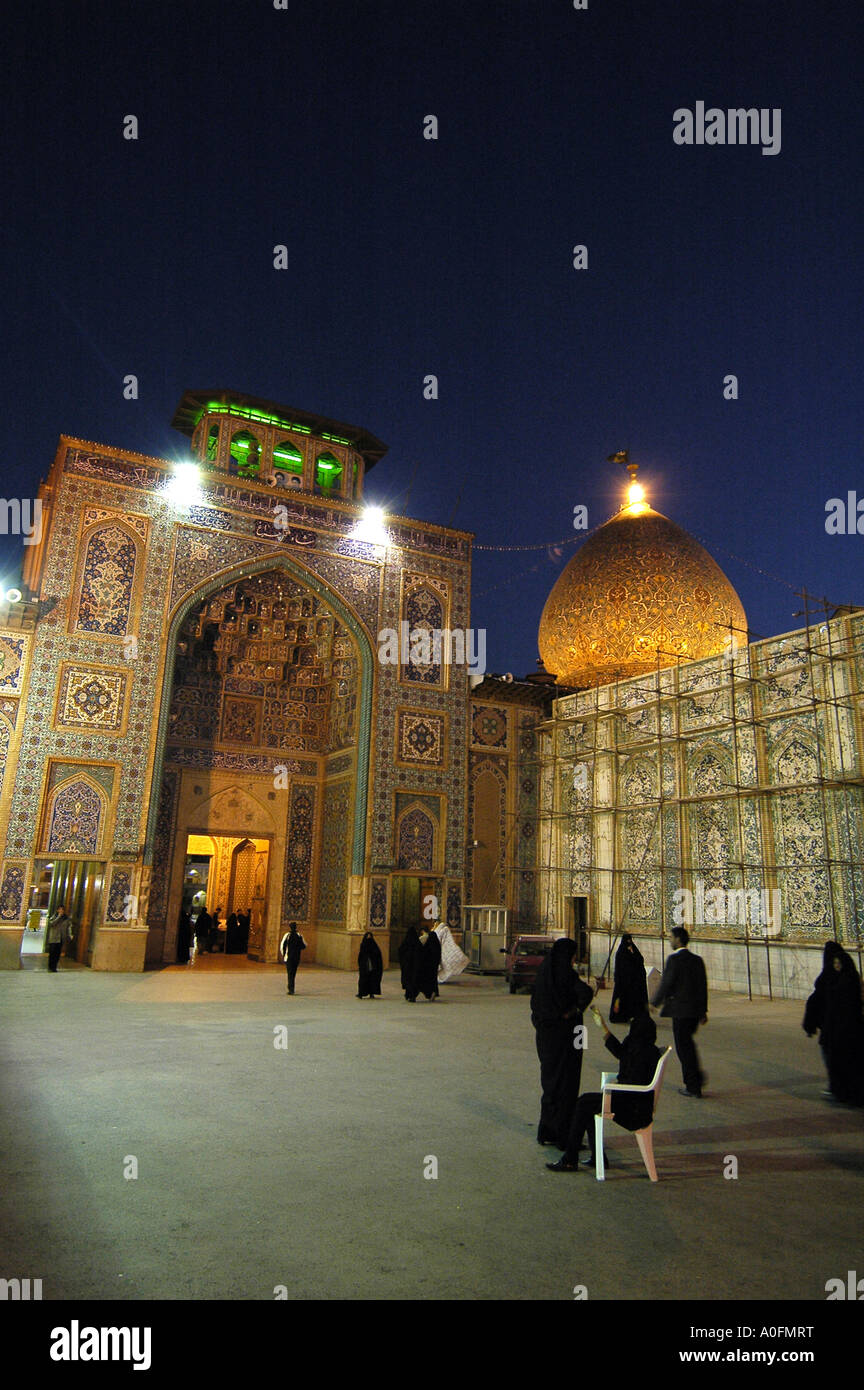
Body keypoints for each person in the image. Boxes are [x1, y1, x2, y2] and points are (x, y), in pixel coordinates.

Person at [547, 1007, 663, 1170]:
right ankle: (595, 1156)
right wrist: (602, 1026)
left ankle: (571, 1158)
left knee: (583, 1104)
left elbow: (632, 1075)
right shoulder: (644, 1048)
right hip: (631, 1102)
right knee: (586, 1104)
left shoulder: (643, 1053)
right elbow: (621, 1052)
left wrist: (610, 1090)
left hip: (633, 1109)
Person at [530, 937, 594, 1147]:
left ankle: (547, 1130)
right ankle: (563, 1135)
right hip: (570, 1037)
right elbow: (585, 993)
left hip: (546, 1039)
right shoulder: (567, 975)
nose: (575, 959)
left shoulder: (544, 975)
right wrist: (572, 1012)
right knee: (567, 1085)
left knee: (550, 1083)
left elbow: (535, 1008)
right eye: (574, 955)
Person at [651, 926, 708, 1097]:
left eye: (671, 937)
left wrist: (654, 1002)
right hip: (693, 1012)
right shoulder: (697, 960)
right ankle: (696, 1078)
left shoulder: (674, 960)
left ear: (678, 939)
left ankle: (693, 1084)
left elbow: (667, 983)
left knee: (684, 1048)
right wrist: (703, 1011)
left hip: (680, 1011)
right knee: (688, 1045)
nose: (669, 940)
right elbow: (702, 987)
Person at [804, 942, 864, 1103]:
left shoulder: (842, 979)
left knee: (840, 1061)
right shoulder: (838, 978)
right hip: (837, 1029)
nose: (836, 965)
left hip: (842, 1030)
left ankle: (843, 1090)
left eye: (838, 963)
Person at [609, 932, 648, 1023]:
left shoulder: (634, 950)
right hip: (623, 981)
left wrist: (633, 953)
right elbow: (619, 967)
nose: (629, 942)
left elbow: (639, 961)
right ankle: (620, 1017)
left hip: (633, 981)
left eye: (630, 940)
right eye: (627, 940)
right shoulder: (620, 952)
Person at [411, 926, 442, 1001]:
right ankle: (431, 993)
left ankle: (414, 995)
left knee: (419, 980)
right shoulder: (435, 940)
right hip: (433, 965)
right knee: (432, 980)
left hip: (424, 965)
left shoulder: (423, 938)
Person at [280, 922, 307, 994]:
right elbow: (304, 945)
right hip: (296, 957)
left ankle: (290, 988)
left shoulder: (287, 935)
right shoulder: (299, 935)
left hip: (288, 957)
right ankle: (292, 988)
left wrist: (284, 955)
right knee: (293, 972)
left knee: (290, 973)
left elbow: (282, 946)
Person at [357, 931, 383, 999]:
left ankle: (371, 992)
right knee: (363, 980)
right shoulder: (364, 945)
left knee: (371, 979)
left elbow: (377, 956)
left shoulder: (373, 946)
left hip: (372, 966)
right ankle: (362, 993)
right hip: (366, 966)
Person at [398, 925, 420, 1000]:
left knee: (408, 980)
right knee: (413, 980)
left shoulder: (405, 943)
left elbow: (400, 952)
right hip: (415, 966)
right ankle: (412, 995)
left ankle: (408, 994)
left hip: (407, 966)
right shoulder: (417, 943)